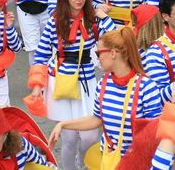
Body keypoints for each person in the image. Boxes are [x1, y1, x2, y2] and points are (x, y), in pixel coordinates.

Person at [28, 0, 114, 170]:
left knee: (91, 135)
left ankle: (81, 164)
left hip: (87, 81)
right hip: (61, 82)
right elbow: (41, 55)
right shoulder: (54, 22)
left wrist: (103, 17)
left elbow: (113, 39)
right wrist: (37, 86)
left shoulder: (93, 20)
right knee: (68, 138)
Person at [48, 27, 162, 161]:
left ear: (113, 53)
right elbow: (96, 119)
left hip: (136, 161)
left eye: (98, 54)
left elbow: (154, 134)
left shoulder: (147, 87)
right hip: (109, 158)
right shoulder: (103, 82)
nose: (97, 59)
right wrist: (62, 125)